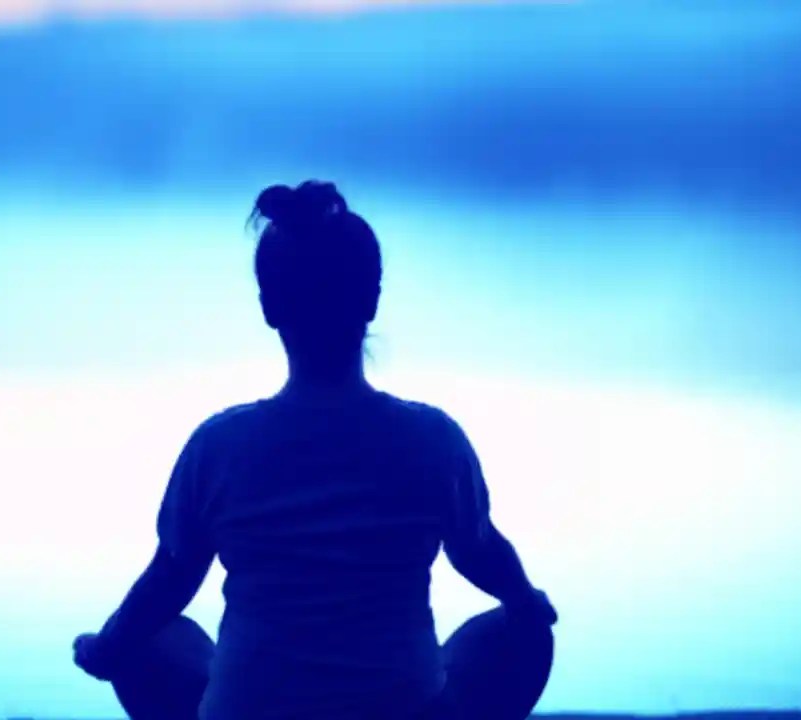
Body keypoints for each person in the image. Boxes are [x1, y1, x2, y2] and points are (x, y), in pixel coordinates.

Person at [73, 181, 557, 720]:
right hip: (404, 712)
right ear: (371, 299)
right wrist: (526, 601)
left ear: (269, 307)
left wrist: (106, 647)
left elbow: (171, 576)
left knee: (152, 635)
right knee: (522, 633)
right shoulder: (432, 440)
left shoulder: (219, 446)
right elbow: (480, 551)